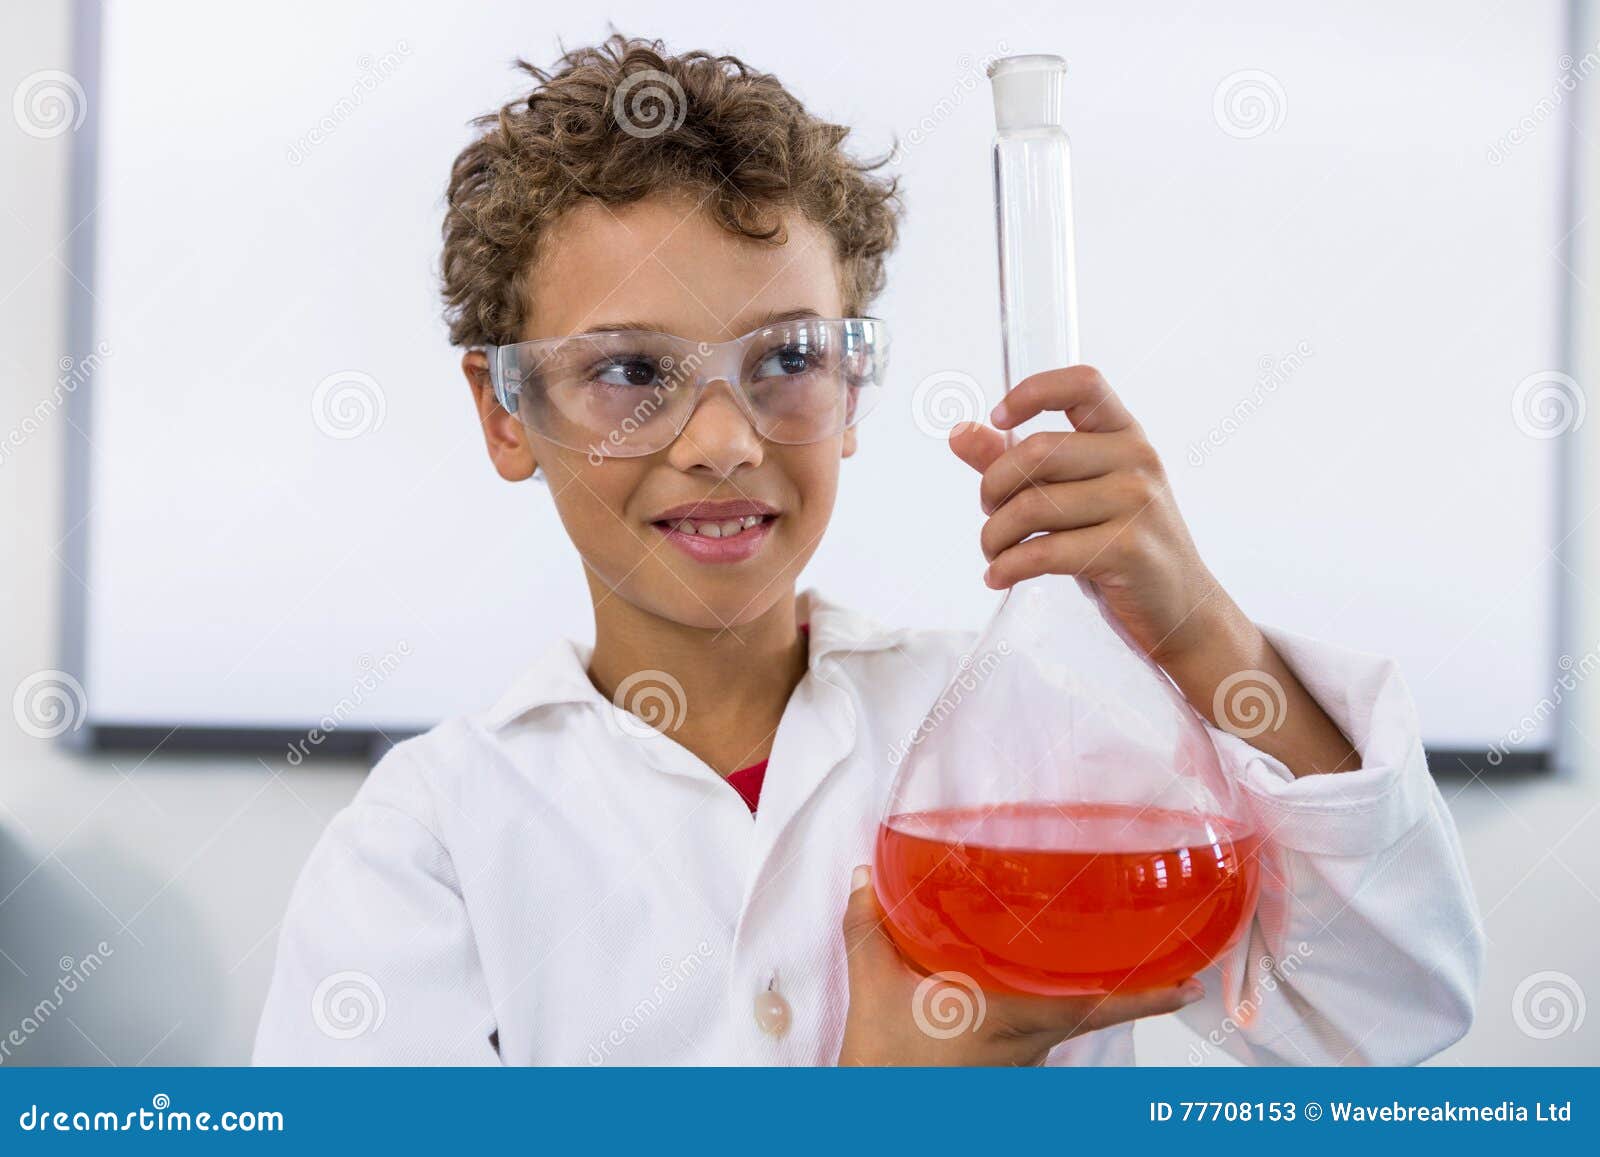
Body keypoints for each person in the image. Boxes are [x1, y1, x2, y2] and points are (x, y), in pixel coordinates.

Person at [254, 34, 1482, 1066]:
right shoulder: (431, 839)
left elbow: (1384, 1004)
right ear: (503, 413)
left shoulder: (1038, 739)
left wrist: (1200, 632)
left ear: (850, 381)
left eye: (786, 358)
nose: (724, 440)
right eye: (630, 371)